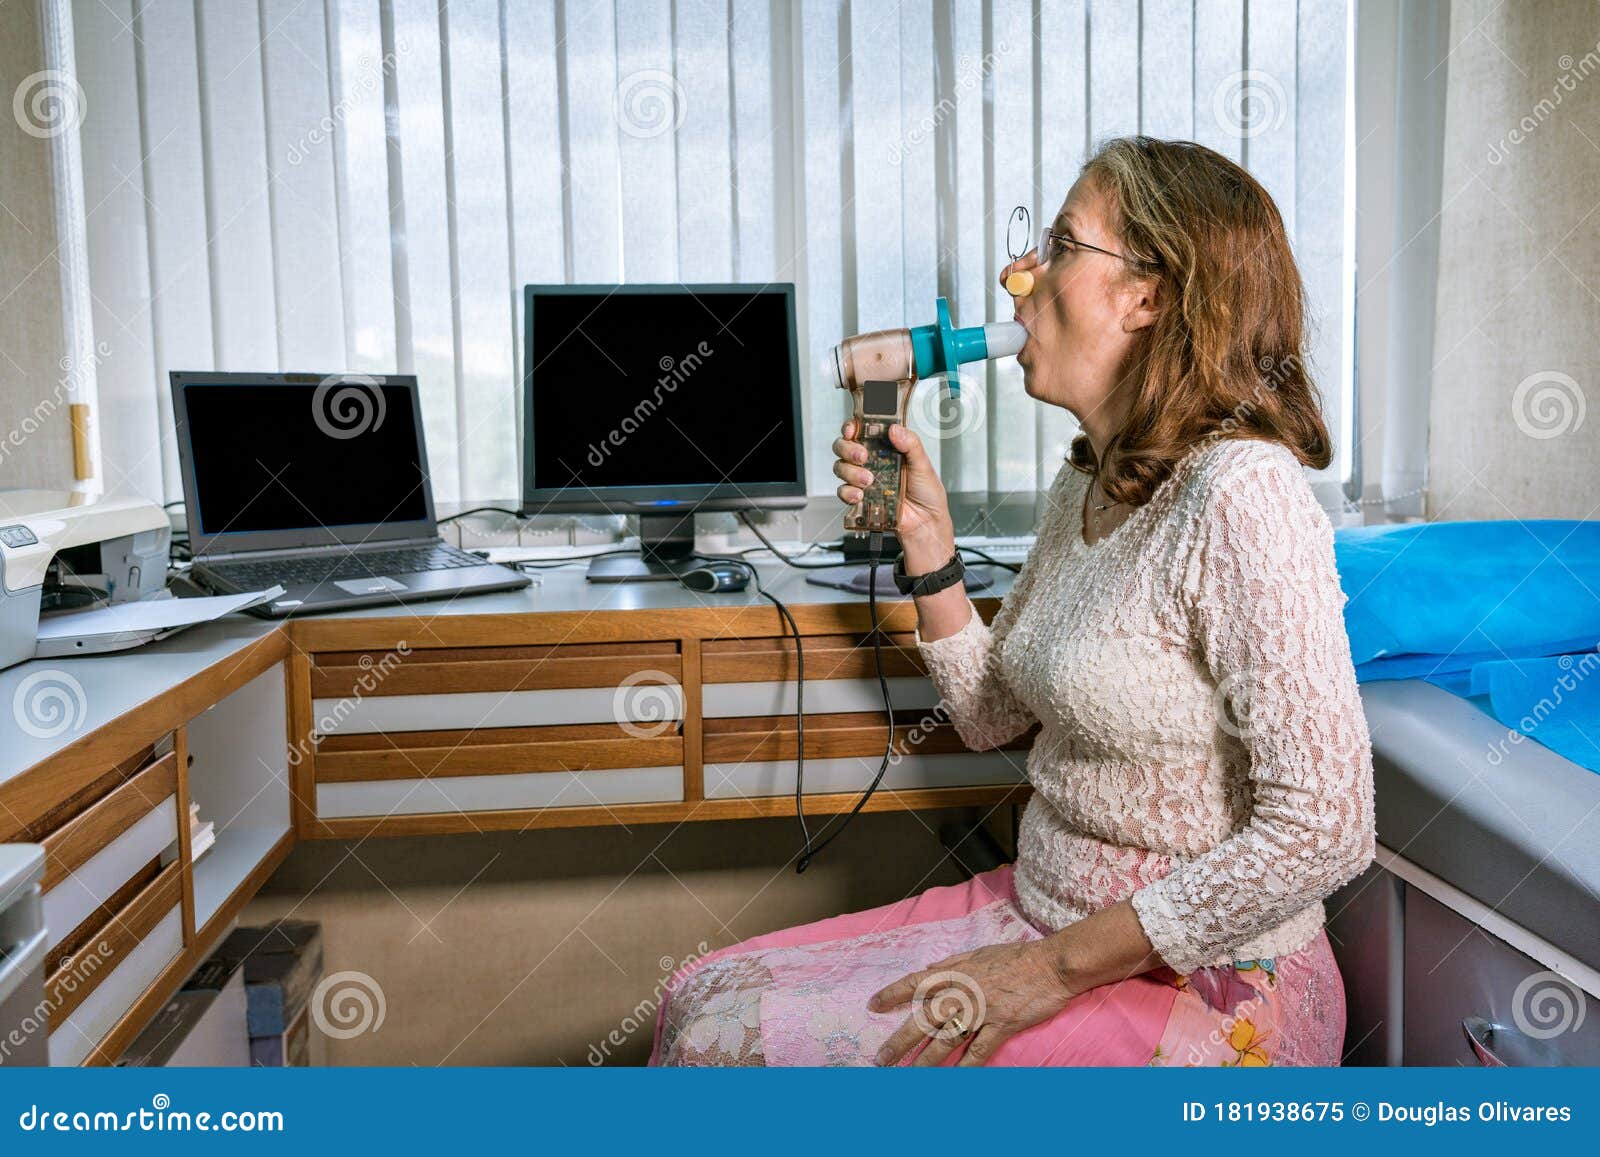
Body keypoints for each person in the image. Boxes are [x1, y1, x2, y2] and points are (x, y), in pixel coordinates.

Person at [650, 136, 1374, 1068]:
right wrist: (931, 548)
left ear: (1147, 295)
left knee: (735, 1054)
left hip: (1211, 990)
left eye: (1062, 245)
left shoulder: (1241, 493)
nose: (1018, 279)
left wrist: (1052, 970)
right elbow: (991, 714)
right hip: (1042, 912)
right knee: (704, 996)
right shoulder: (1089, 483)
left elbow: (1328, 828)